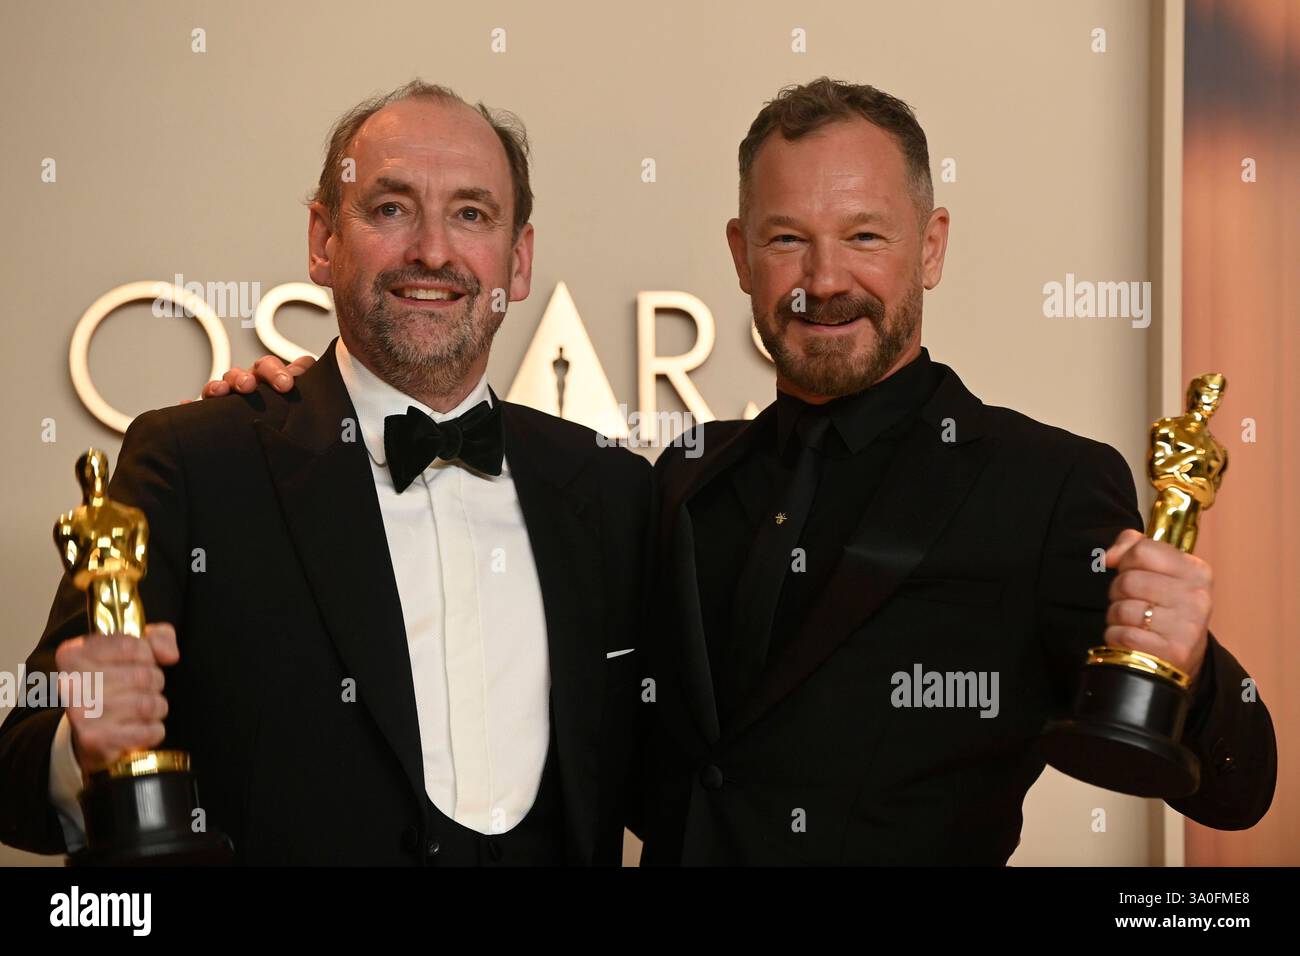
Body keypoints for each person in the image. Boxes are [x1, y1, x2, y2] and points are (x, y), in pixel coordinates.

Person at [216, 77, 1278, 866]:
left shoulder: (1042, 484)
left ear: (931, 245)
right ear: (738, 253)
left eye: (864, 235)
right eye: (786, 239)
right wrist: (304, 411)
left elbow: (1239, 787)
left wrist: (1193, 661)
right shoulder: (671, 478)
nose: (824, 280)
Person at [0, 80, 652, 866]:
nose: (434, 251)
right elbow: (15, 768)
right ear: (322, 239)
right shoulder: (199, 466)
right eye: (390, 208)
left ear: (518, 260)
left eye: (472, 214)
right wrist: (85, 744)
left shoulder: (612, 491)